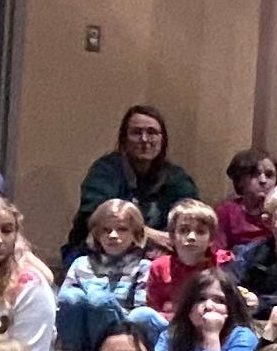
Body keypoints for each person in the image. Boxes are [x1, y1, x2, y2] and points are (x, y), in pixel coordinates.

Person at [63, 104, 198, 265]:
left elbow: (193, 215)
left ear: (163, 139)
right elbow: (94, 216)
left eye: (152, 132)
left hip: (158, 257)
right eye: (136, 132)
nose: (145, 139)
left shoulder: (176, 177)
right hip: (102, 254)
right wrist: (149, 235)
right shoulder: (105, 171)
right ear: (124, 138)